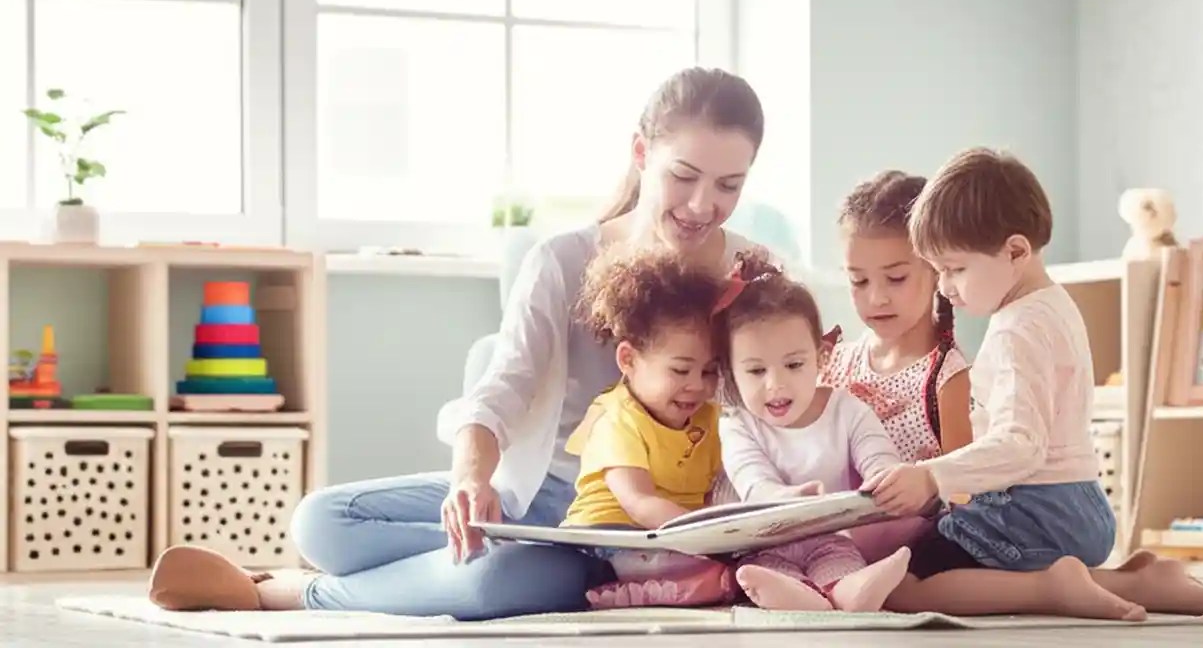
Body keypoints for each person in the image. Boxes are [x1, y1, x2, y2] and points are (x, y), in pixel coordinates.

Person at [145, 66, 769, 619]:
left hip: (661, 521)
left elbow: (776, 401)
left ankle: (289, 594)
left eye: (728, 185)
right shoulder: (563, 260)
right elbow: (503, 386)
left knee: (495, 583)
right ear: (641, 152)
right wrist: (471, 479)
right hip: (544, 500)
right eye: (684, 176)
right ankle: (405, 565)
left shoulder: (751, 271)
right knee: (323, 522)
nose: (701, 205)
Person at [864, 147, 1203, 620]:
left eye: (955, 268)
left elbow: (1022, 445)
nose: (944, 287)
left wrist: (934, 474)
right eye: (938, 270)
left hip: (1034, 510)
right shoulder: (1053, 306)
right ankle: (1143, 583)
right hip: (1074, 501)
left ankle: (1051, 589)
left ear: (1015, 251)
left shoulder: (1017, 328)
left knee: (904, 584)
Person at [716, 250, 912, 612]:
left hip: (830, 536)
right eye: (756, 371)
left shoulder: (846, 409)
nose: (776, 384)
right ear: (731, 370)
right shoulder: (737, 424)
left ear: (820, 357)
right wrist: (786, 496)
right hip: (767, 539)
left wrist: (884, 477)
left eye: (793, 364)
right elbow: (752, 481)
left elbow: (878, 455)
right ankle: (800, 597)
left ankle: (851, 591)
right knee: (763, 568)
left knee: (841, 560)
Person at [558, 244, 735, 609]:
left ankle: (679, 581)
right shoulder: (616, 417)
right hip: (608, 537)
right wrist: (707, 536)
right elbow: (639, 503)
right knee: (701, 566)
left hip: (670, 536)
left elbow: (714, 492)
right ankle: (639, 588)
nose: (697, 386)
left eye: (709, 371)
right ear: (628, 359)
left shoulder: (711, 418)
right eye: (680, 370)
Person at [817, 169, 973, 563]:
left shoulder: (947, 376)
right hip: (831, 531)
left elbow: (967, 492)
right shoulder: (835, 364)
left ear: (936, 269)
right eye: (859, 281)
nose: (877, 298)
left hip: (913, 547)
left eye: (896, 278)